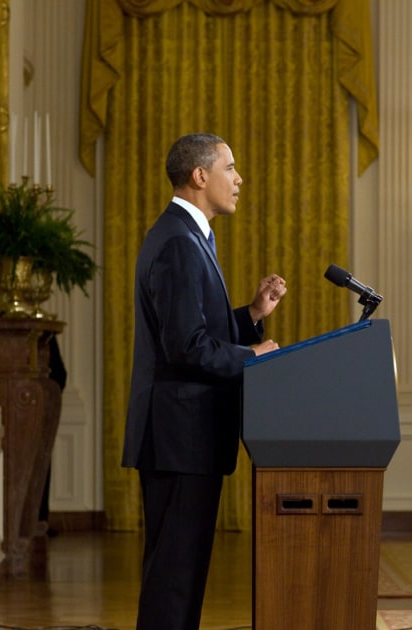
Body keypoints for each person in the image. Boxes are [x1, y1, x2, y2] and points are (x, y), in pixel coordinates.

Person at [123, 133, 287, 630]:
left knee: (183, 574)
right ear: (200, 176)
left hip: (185, 437)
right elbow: (187, 347)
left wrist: (252, 315)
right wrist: (252, 354)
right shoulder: (177, 242)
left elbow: (194, 332)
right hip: (179, 438)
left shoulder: (187, 236)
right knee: (174, 578)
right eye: (230, 168)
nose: (238, 179)